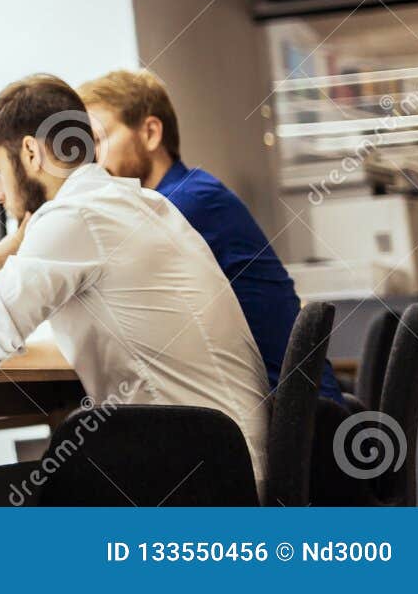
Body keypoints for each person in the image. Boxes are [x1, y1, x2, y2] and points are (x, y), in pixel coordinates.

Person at [0, 74, 269, 481]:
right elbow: (100, 347)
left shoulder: (73, 217)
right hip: (231, 464)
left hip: (193, 478)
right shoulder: (141, 203)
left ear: (29, 152)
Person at [79, 68, 343, 402]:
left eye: (99, 141)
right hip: (287, 412)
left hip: (292, 422)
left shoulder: (184, 204)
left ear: (150, 133)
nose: (92, 163)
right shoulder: (187, 194)